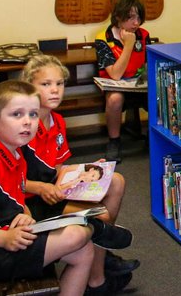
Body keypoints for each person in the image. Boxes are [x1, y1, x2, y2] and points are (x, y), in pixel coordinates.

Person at [0, 80, 132, 295]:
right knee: (76, 236)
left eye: (33, 114)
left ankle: (93, 231)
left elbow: (16, 198)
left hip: (10, 234)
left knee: (83, 251)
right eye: (17, 115)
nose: (27, 122)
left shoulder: (16, 153)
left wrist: (25, 215)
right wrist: (3, 239)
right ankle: (95, 228)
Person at [21, 55, 139, 292]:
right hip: (28, 203)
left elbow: (56, 169)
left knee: (114, 180)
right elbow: (7, 181)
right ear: (29, 87)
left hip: (54, 192)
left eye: (60, 84)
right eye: (45, 84)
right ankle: (99, 267)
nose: (55, 90)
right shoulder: (23, 124)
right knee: (97, 217)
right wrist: (41, 187)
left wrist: (87, 171)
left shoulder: (57, 122)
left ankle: (98, 265)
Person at [95, 0, 151, 162]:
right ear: (119, 17)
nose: (136, 23)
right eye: (131, 17)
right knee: (115, 99)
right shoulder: (103, 38)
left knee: (160, 93)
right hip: (116, 85)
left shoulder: (143, 34)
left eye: (139, 17)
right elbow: (115, 74)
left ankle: (153, 137)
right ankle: (114, 141)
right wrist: (128, 44)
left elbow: (148, 61)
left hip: (139, 84)